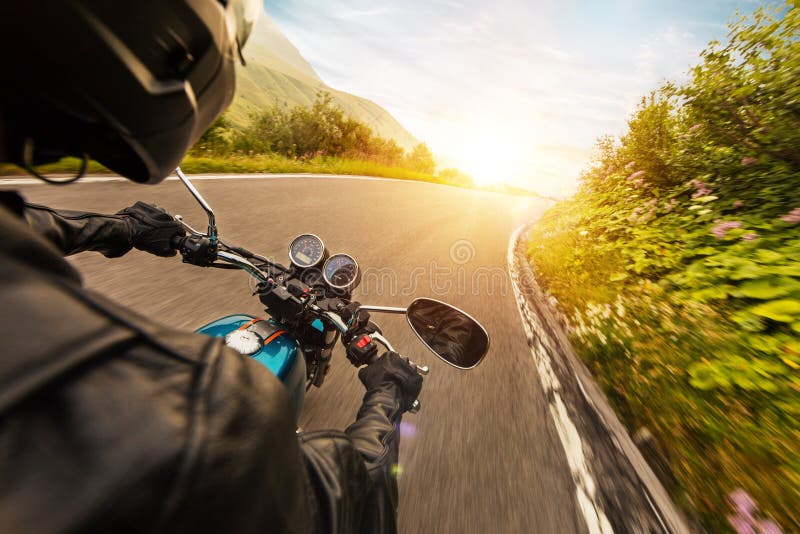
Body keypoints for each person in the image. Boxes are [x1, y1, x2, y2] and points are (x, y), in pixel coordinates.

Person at [0, 1, 422, 533]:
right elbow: (345, 497)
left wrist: (122, 228)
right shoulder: (206, 427)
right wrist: (387, 393)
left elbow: (26, 224)